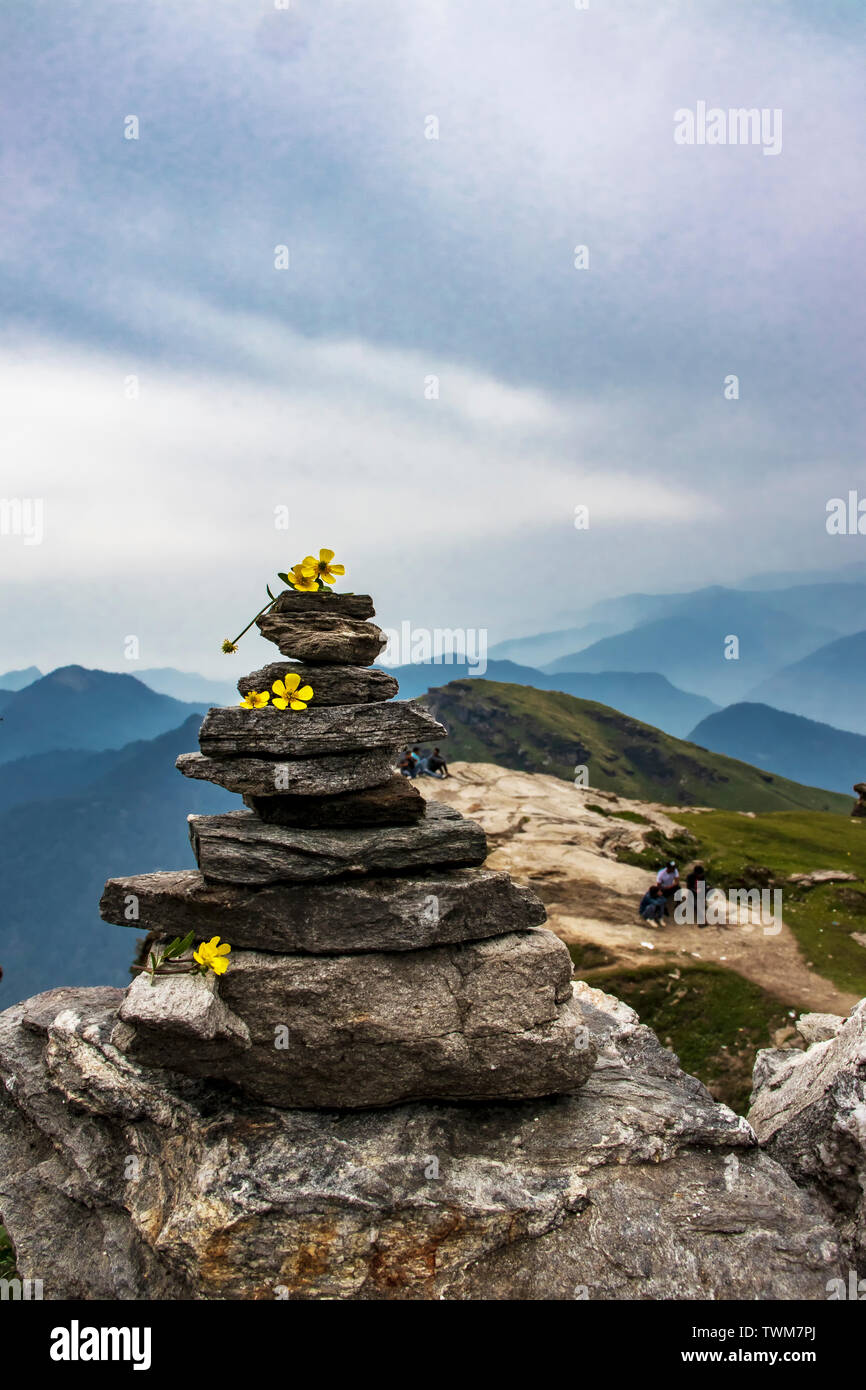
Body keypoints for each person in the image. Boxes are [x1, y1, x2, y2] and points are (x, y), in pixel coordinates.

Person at [686, 863, 709, 928]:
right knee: (697, 905)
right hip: (692, 895)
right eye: (699, 874)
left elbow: (703, 887)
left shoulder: (702, 877)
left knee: (703, 905)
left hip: (700, 895)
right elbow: (689, 887)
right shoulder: (690, 877)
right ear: (696, 873)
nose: (701, 875)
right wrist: (696, 891)